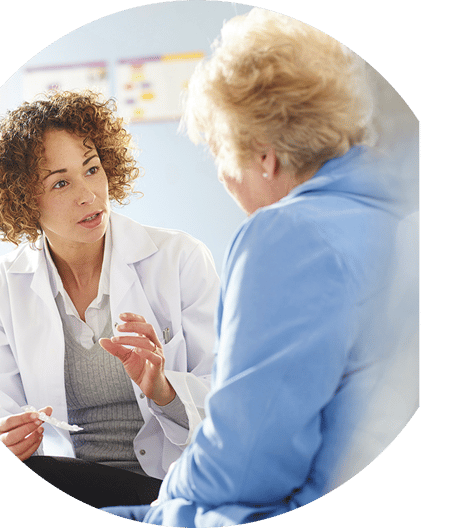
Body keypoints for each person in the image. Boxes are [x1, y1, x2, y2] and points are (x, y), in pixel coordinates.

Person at [103, 8, 419, 527]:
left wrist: (166, 497)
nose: (224, 179)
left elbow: (243, 463)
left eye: (220, 155)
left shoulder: (288, 234)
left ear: (265, 158)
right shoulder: (396, 217)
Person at [0, 90, 220, 508]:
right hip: (64, 481)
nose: (89, 195)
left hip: (172, 483)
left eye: (92, 169)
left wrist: (164, 389)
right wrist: (3, 435)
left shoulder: (179, 259)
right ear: (22, 200)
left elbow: (227, 402)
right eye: (61, 183)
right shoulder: (3, 286)